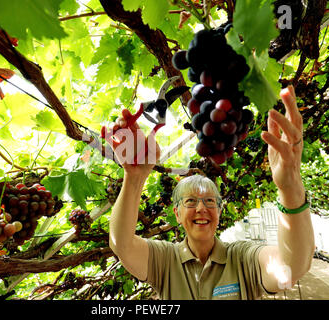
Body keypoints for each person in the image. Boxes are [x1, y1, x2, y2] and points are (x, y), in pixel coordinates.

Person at [104, 85, 315, 300]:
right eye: (191, 201)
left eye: (210, 201)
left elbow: (290, 268)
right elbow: (121, 244)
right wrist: (134, 177)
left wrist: (291, 191)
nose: (202, 208)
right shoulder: (164, 259)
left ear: (220, 211)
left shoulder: (243, 258)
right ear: (176, 214)